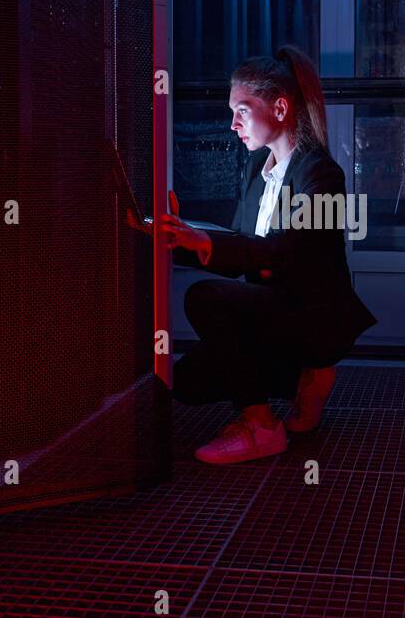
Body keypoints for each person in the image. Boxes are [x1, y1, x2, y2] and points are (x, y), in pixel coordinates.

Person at [159, 44, 377, 464]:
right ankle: (301, 380)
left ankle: (261, 426)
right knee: (186, 383)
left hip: (311, 317)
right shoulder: (260, 176)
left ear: (279, 108)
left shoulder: (320, 173)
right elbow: (245, 249)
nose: (232, 124)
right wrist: (176, 238)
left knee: (204, 298)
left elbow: (282, 252)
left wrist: (203, 242)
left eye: (242, 110)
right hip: (275, 311)